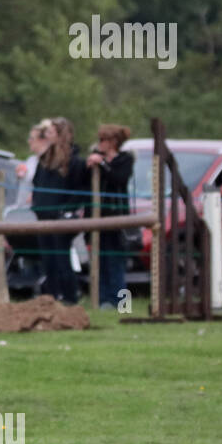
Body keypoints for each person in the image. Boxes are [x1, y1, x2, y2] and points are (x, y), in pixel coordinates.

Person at [32, 117, 87, 304]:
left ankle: (70, 297)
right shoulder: (45, 160)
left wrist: (66, 209)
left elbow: (81, 190)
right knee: (48, 260)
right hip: (43, 216)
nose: (47, 136)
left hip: (61, 217)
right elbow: (37, 183)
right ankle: (52, 297)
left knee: (62, 258)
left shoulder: (74, 161)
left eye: (51, 132)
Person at [86, 124, 135, 309]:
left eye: (103, 140)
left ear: (113, 142)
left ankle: (122, 303)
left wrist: (103, 164)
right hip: (97, 218)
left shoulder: (125, 160)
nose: (99, 144)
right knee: (100, 261)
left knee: (116, 263)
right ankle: (103, 299)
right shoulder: (96, 159)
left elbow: (119, 178)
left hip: (117, 218)